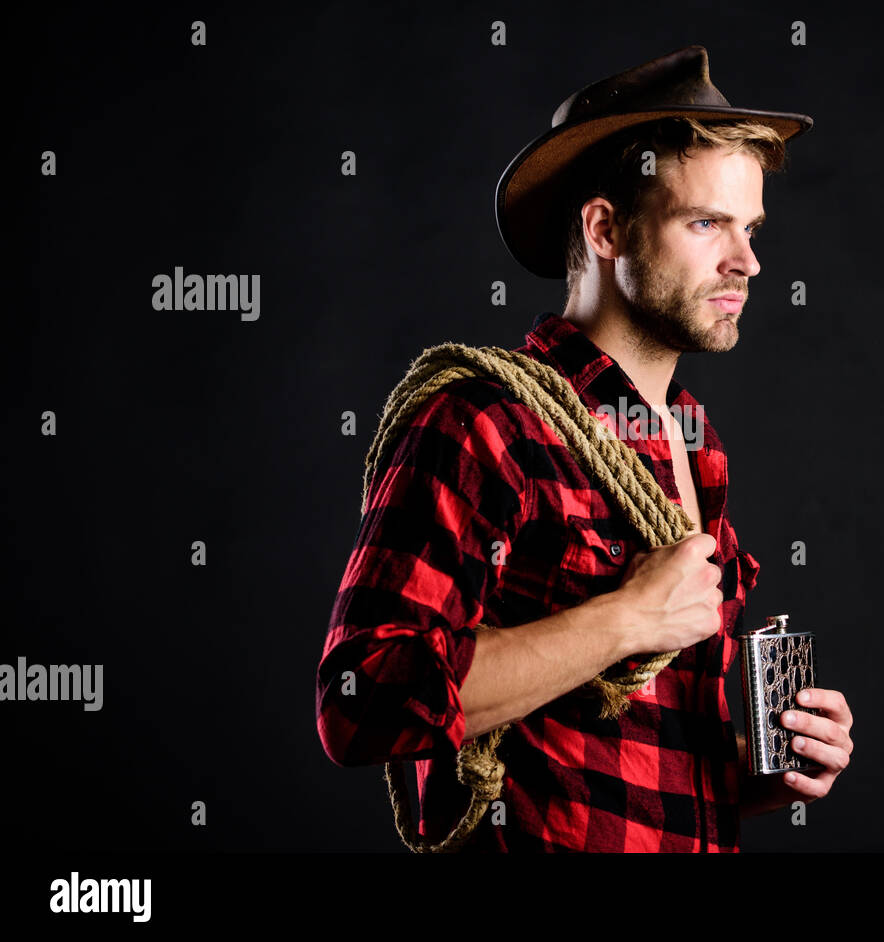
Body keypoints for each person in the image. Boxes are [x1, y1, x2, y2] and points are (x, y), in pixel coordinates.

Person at [315, 45, 853, 852]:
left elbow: (620, 761)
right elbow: (361, 702)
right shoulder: (484, 420)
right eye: (706, 223)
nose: (748, 261)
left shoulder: (695, 450)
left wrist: (766, 770)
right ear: (605, 228)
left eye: (749, 228)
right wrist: (626, 617)